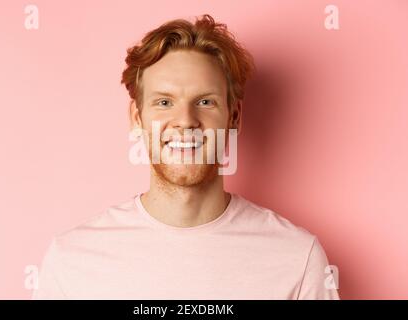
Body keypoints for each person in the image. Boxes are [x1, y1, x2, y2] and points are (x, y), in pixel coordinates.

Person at [32, 14, 340, 300]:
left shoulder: (298, 259)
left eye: (205, 101)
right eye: (164, 102)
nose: (185, 120)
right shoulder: (71, 260)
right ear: (137, 118)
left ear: (234, 117)